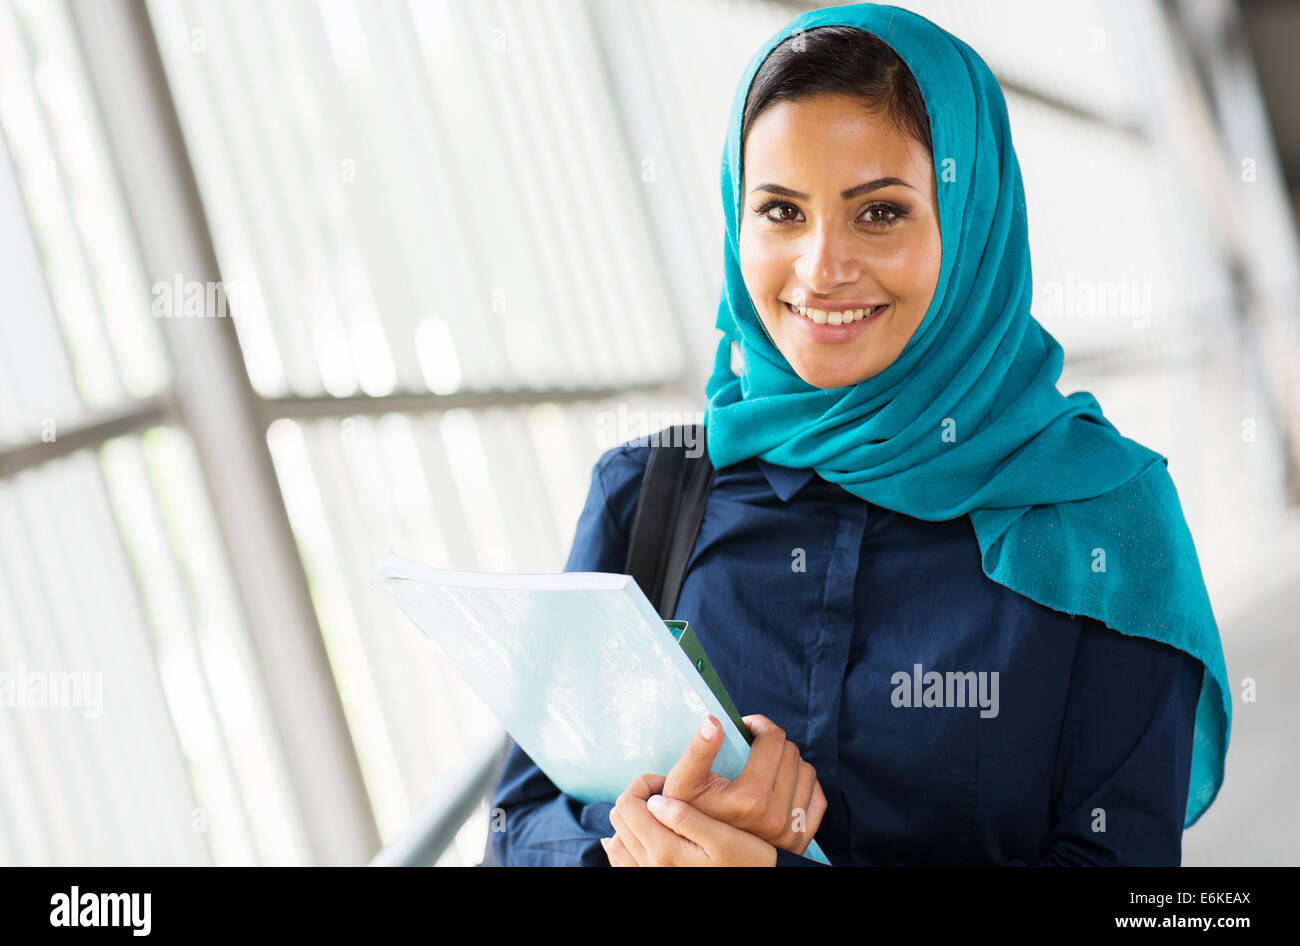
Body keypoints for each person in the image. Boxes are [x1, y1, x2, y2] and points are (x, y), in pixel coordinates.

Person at [491, 2, 1231, 866]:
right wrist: (642, 842)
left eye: (879, 212)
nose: (821, 268)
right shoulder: (651, 490)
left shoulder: (1103, 518)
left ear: (971, 220)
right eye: (780, 212)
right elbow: (515, 831)